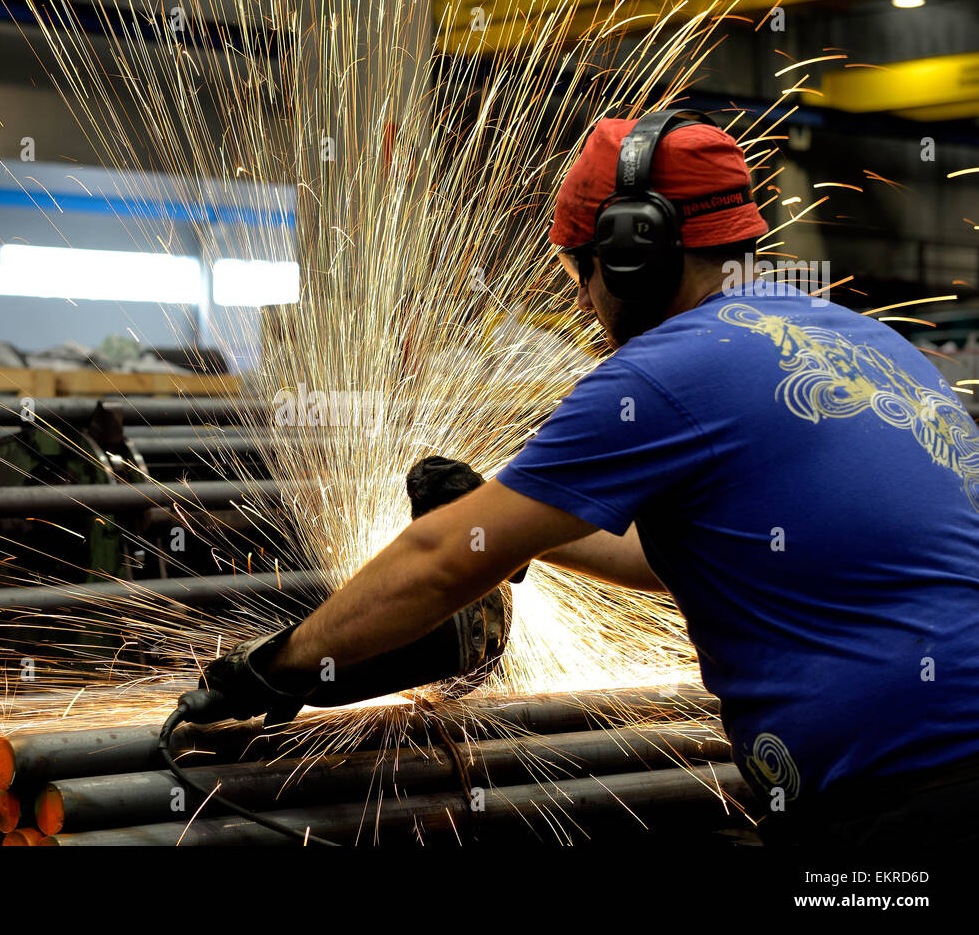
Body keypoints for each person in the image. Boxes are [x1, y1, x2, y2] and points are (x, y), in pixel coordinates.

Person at [200, 110, 979, 845]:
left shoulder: (667, 370)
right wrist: (518, 527)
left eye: (583, 268)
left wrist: (274, 668)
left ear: (634, 250)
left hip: (912, 803)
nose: (582, 298)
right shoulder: (871, 343)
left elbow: (438, 561)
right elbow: (703, 551)